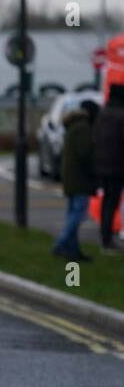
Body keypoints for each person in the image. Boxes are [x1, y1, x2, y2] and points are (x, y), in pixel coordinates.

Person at [53, 100, 98, 262]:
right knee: (77, 215)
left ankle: (73, 250)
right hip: (80, 180)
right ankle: (61, 244)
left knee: (73, 213)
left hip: (72, 178)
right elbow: (85, 153)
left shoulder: (73, 126)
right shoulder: (83, 128)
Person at [91, 84, 124, 251]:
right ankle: (107, 238)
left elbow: (95, 137)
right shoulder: (120, 116)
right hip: (118, 167)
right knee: (113, 202)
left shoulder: (102, 114)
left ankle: (105, 234)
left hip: (102, 165)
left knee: (107, 202)